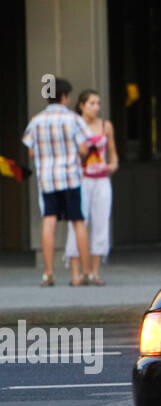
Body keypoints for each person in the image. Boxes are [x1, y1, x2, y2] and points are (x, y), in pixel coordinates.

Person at [22, 78, 91, 287]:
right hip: (70, 176)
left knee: (49, 221)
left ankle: (48, 273)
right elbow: (84, 148)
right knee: (77, 221)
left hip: (47, 179)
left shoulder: (36, 121)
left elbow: (31, 150)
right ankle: (86, 272)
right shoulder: (73, 119)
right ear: (63, 96)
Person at [64, 90, 117, 286]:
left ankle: (94, 272)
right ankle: (76, 273)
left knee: (101, 223)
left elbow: (113, 154)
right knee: (77, 223)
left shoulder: (105, 126)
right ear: (82, 105)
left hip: (102, 179)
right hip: (81, 180)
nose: (96, 107)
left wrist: (111, 165)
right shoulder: (75, 126)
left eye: (98, 103)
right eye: (92, 103)